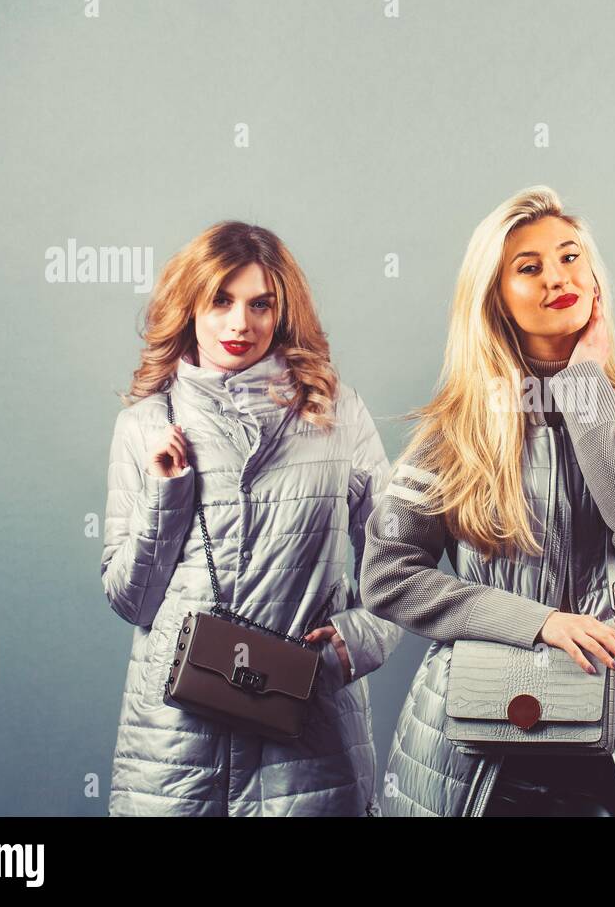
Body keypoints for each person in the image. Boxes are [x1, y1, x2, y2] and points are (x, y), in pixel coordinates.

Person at [359, 186, 615, 816]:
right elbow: (385, 578)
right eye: (529, 268)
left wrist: (586, 388)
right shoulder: (454, 433)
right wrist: (537, 623)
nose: (556, 279)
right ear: (496, 298)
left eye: (570, 258)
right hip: (479, 756)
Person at [100, 220, 404, 815]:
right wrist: (167, 492)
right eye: (221, 301)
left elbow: (398, 565)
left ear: (283, 311)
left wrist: (350, 645)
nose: (241, 323)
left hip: (309, 736)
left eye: (260, 304)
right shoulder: (144, 424)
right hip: (174, 742)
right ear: (189, 305)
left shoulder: (336, 412)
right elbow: (131, 601)